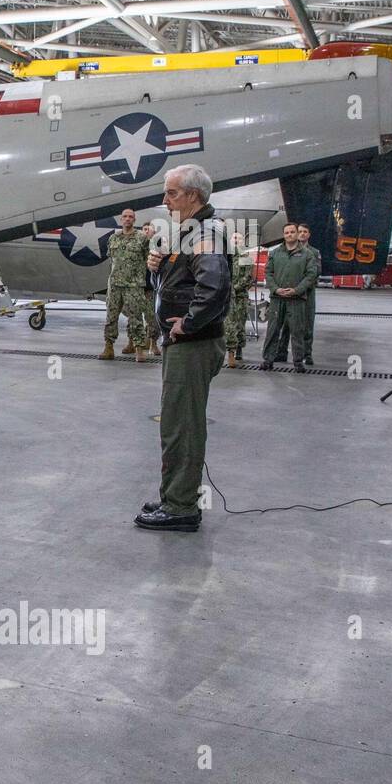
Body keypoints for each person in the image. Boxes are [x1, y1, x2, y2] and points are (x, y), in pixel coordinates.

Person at [136, 163, 230, 533]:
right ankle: (173, 496)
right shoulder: (189, 232)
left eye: (172, 193)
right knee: (176, 423)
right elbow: (182, 281)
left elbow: (214, 286)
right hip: (182, 344)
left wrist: (188, 324)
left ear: (193, 195)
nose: (165, 200)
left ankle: (181, 507)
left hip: (192, 345)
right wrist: (155, 267)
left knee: (182, 427)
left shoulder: (205, 233)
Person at [260, 223, 318, 373]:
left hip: (296, 299)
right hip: (277, 299)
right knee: (272, 330)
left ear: (296, 234)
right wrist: (276, 289)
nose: (289, 235)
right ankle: (268, 360)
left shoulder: (307, 254)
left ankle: (298, 361)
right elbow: (268, 273)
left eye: (292, 232)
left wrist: (297, 290)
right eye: (286, 233)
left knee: (297, 331)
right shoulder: (275, 253)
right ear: (283, 235)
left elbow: (311, 275)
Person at [99, 208, 149, 362]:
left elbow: (147, 259)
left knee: (136, 317)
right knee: (111, 317)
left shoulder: (142, 238)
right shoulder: (113, 238)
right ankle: (108, 347)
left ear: (134, 220)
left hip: (134, 285)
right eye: (125, 216)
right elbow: (111, 259)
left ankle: (139, 348)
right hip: (115, 285)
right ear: (121, 219)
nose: (127, 219)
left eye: (130, 217)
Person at [224, 231, 256, 368]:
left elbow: (248, 278)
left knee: (240, 323)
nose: (236, 240)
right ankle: (230, 350)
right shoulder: (225, 257)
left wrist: (235, 288)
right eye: (234, 238)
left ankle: (239, 348)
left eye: (239, 238)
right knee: (228, 324)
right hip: (227, 296)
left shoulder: (246, 257)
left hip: (240, 296)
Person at [298, 222, 319, 366]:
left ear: (309, 234)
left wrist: (301, 286)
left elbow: (316, 272)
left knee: (307, 325)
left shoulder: (314, 252)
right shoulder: (289, 250)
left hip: (308, 293)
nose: (302, 234)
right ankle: (281, 352)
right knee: (286, 325)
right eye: (300, 231)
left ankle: (307, 354)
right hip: (291, 292)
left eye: (305, 231)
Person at [140, 222, 161, 358]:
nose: (147, 231)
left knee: (152, 317)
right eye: (145, 229)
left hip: (151, 288)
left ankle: (153, 344)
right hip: (136, 286)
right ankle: (133, 343)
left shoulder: (158, 247)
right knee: (134, 316)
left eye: (150, 229)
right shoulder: (137, 245)